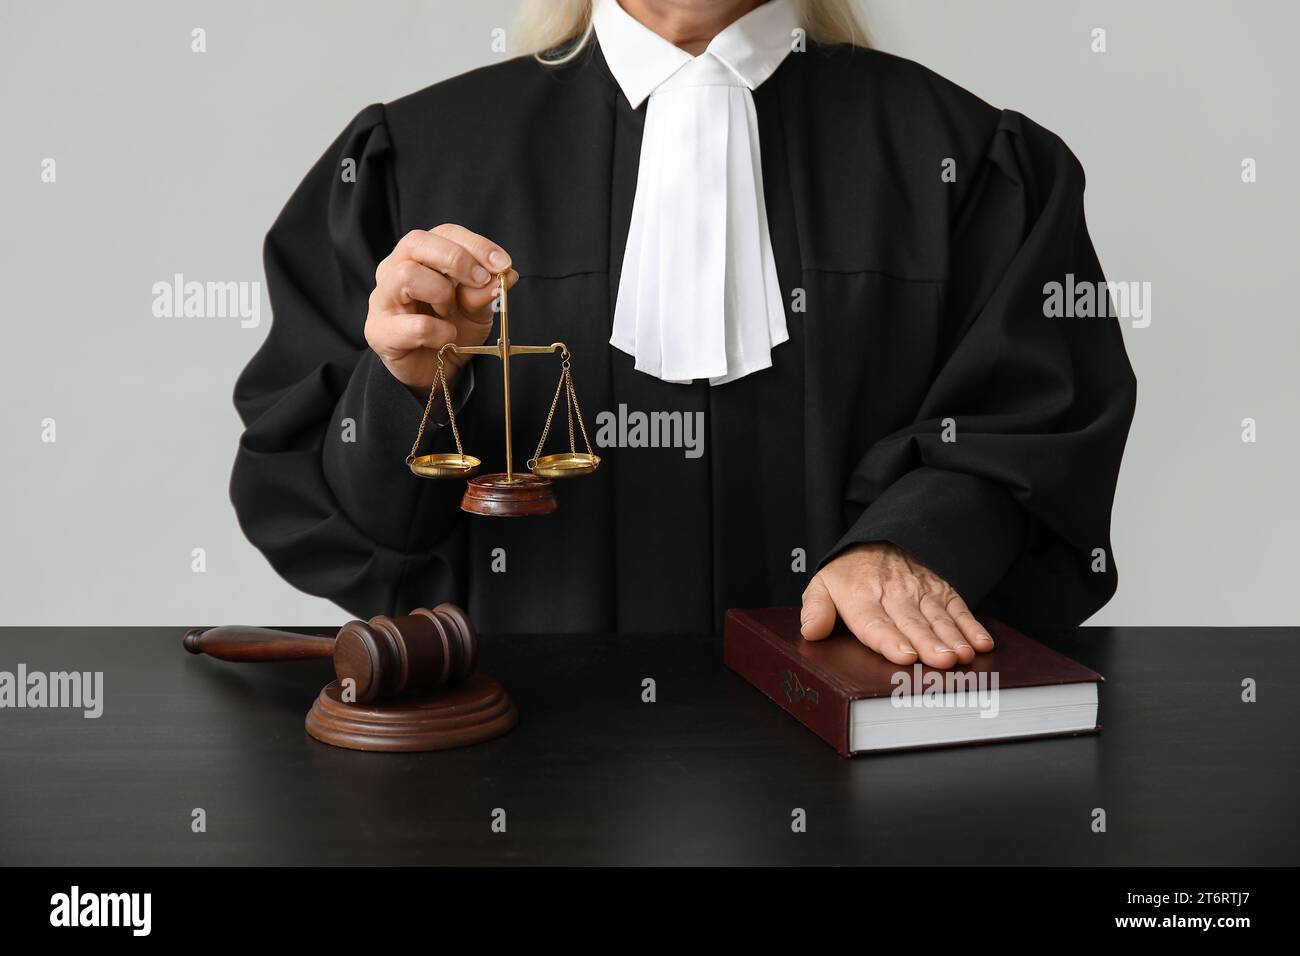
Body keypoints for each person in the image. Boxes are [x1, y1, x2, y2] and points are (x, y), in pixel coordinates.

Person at [231, 0, 1136, 668]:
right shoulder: (416, 156)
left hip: (866, 752)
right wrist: (408, 390)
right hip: (515, 769)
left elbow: (1037, 425)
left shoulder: (968, 159)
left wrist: (911, 543)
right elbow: (331, 516)